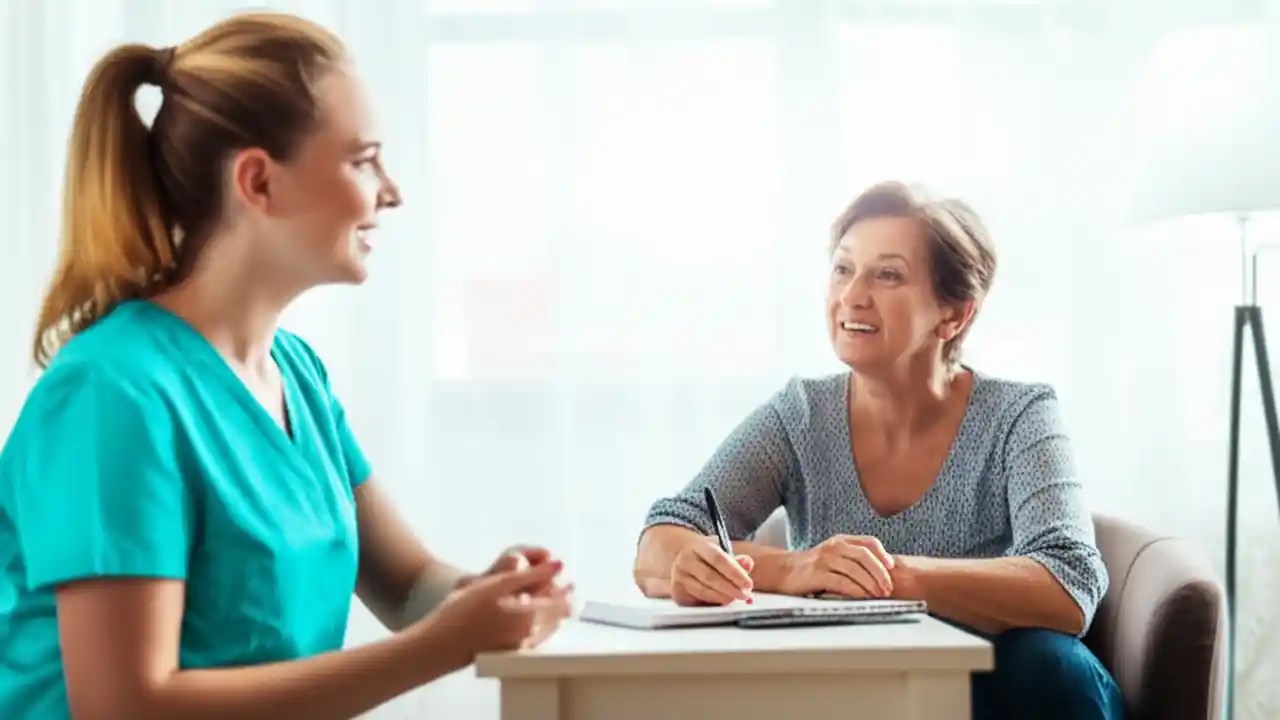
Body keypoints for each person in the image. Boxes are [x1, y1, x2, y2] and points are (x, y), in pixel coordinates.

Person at [0, 12, 572, 720]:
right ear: (258, 182)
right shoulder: (111, 395)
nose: (389, 192)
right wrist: (442, 646)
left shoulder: (295, 373)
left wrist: (487, 598)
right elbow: (124, 706)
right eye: (363, 160)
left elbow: (405, 584)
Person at [632, 181, 1123, 719]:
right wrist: (796, 569)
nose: (852, 295)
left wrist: (888, 580)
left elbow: (1069, 583)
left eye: (887, 275)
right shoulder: (800, 414)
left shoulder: (1019, 415)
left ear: (955, 315)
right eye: (844, 269)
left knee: (1050, 664)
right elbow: (663, 536)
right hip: (850, 693)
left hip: (990, 696)